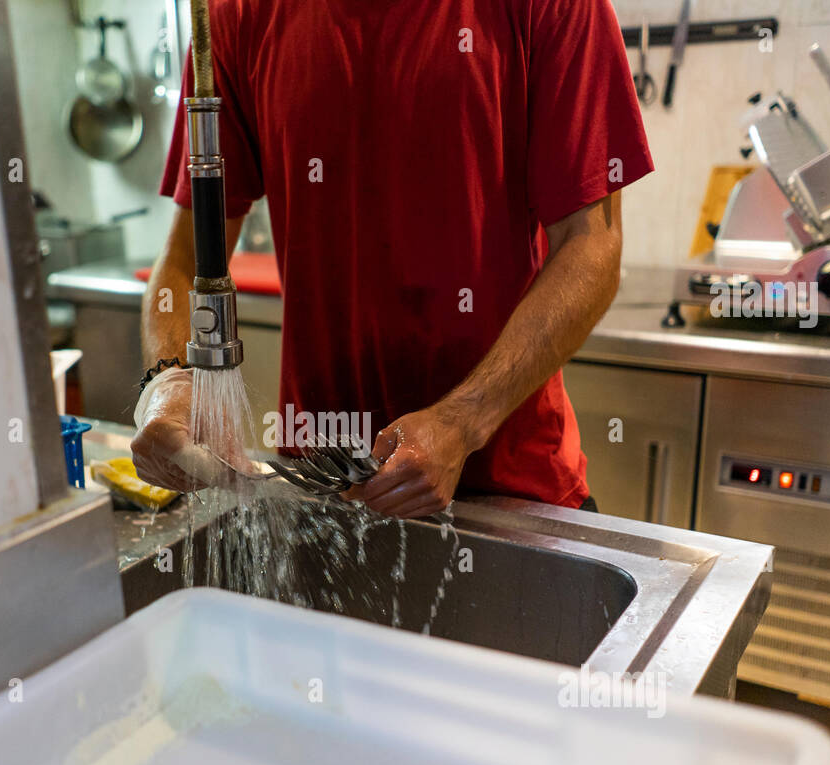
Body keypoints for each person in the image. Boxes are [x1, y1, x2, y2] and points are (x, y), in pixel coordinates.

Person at [133, 0, 652, 518]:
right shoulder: (237, 15)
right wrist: (171, 381)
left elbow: (592, 247)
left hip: (510, 490)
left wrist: (460, 421)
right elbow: (186, 258)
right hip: (326, 488)